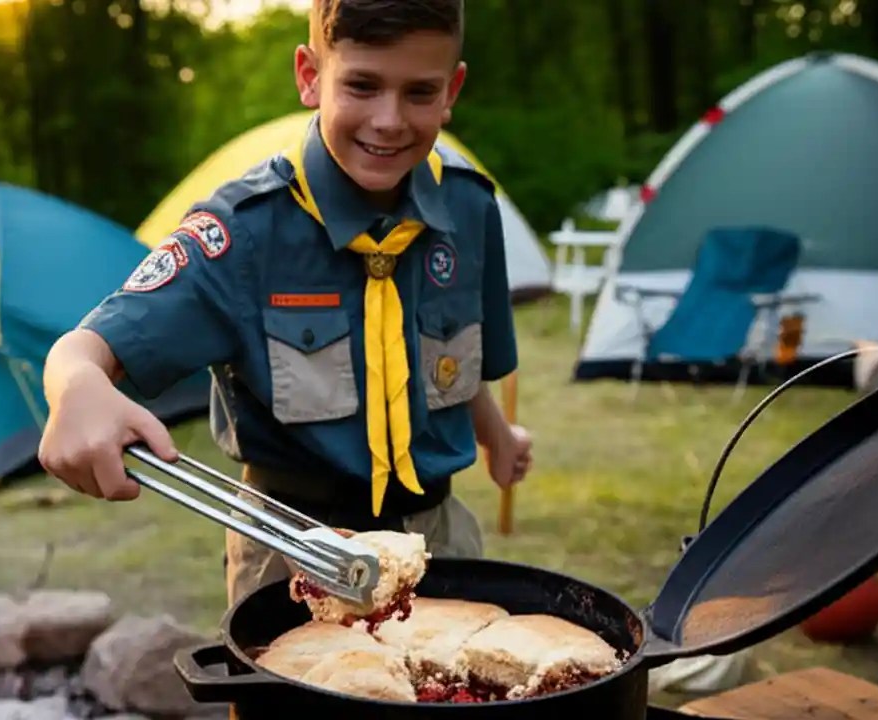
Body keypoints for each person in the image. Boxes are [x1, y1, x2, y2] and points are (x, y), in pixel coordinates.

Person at [38, 0, 533, 607]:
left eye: (419, 93)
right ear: (309, 76)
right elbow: (88, 347)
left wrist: (497, 435)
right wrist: (74, 386)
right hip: (291, 552)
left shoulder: (470, 210)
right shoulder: (243, 232)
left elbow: (449, 367)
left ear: (451, 89)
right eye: (362, 85)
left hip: (440, 540)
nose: (388, 119)